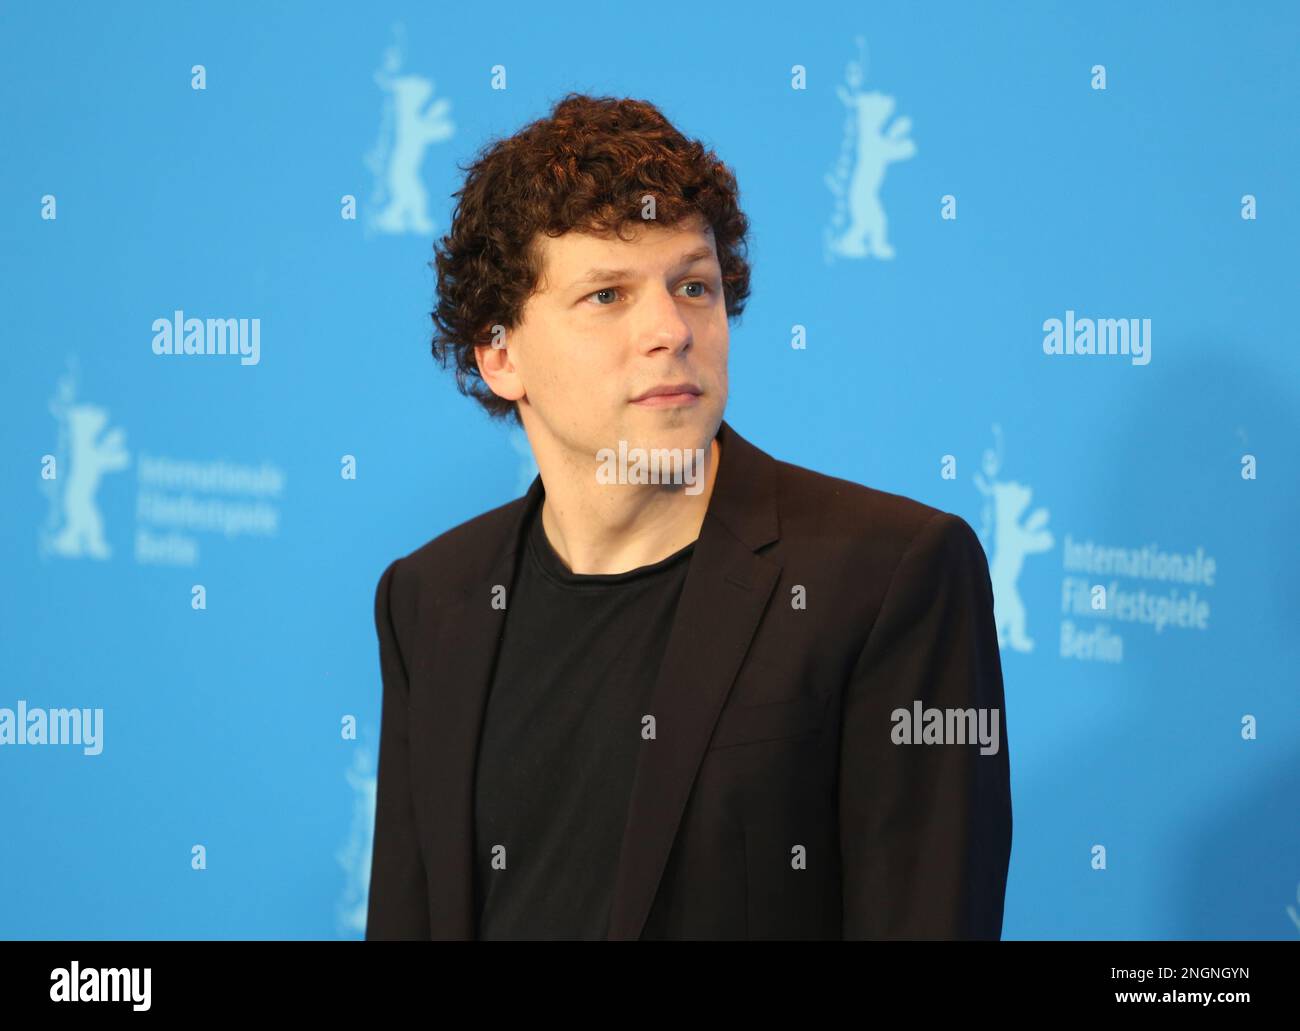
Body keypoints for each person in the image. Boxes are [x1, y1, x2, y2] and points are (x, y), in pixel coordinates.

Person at [366, 93, 1011, 940]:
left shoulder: (888, 577)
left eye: (693, 285)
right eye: (607, 295)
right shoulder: (431, 600)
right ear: (500, 353)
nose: (671, 329)